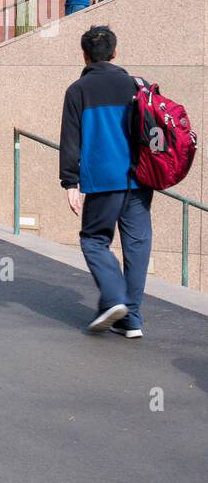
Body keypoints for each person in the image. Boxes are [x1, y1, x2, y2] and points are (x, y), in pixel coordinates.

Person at [60, 25, 150, 337]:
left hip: (102, 180)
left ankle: (114, 298)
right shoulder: (137, 85)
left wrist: (70, 183)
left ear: (84, 55)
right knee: (136, 245)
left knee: (94, 239)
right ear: (115, 52)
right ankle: (132, 320)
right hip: (139, 178)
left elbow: (70, 140)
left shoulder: (77, 91)